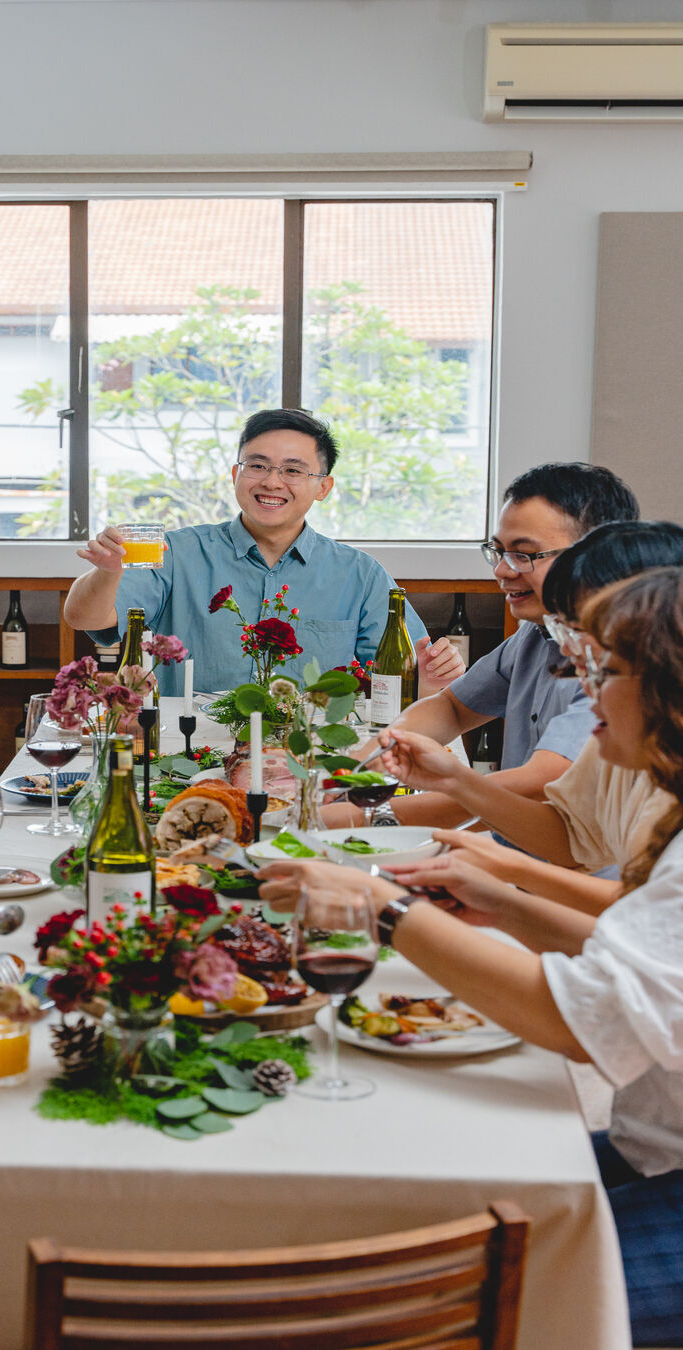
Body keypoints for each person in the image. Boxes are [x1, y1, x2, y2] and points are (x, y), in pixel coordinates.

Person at [259, 565, 683, 1346]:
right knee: (414, 1202)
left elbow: (568, 1019)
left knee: (439, 1307)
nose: (585, 693)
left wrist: (380, 905)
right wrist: (509, 903)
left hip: (671, 1177)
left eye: (607, 672)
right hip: (647, 1140)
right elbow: (635, 955)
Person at [341, 521, 683, 917]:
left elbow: (642, 920)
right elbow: (570, 838)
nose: (576, 669)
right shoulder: (630, 736)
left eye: (592, 647)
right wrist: (457, 782)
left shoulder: (621, 722)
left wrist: (398, 913)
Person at [322, 461, 640, 830]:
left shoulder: (618, 664)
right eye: (498, 551)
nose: (502, 570)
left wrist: (358, 818)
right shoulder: (533, 634)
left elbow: (537, 785)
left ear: (595, 554)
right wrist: (360, 766)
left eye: (524, 554)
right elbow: (453, 707)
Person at [62, 408, 464, 697]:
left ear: (323, 487)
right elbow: (84, 617)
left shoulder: (360, 575)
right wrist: (108, 572)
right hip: (186, 751)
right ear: (236, 474)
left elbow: (402, 682)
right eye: (257, 466)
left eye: (293, 470)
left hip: (311, 754)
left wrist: (430, 679)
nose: (272, 482)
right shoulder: (176, 552)